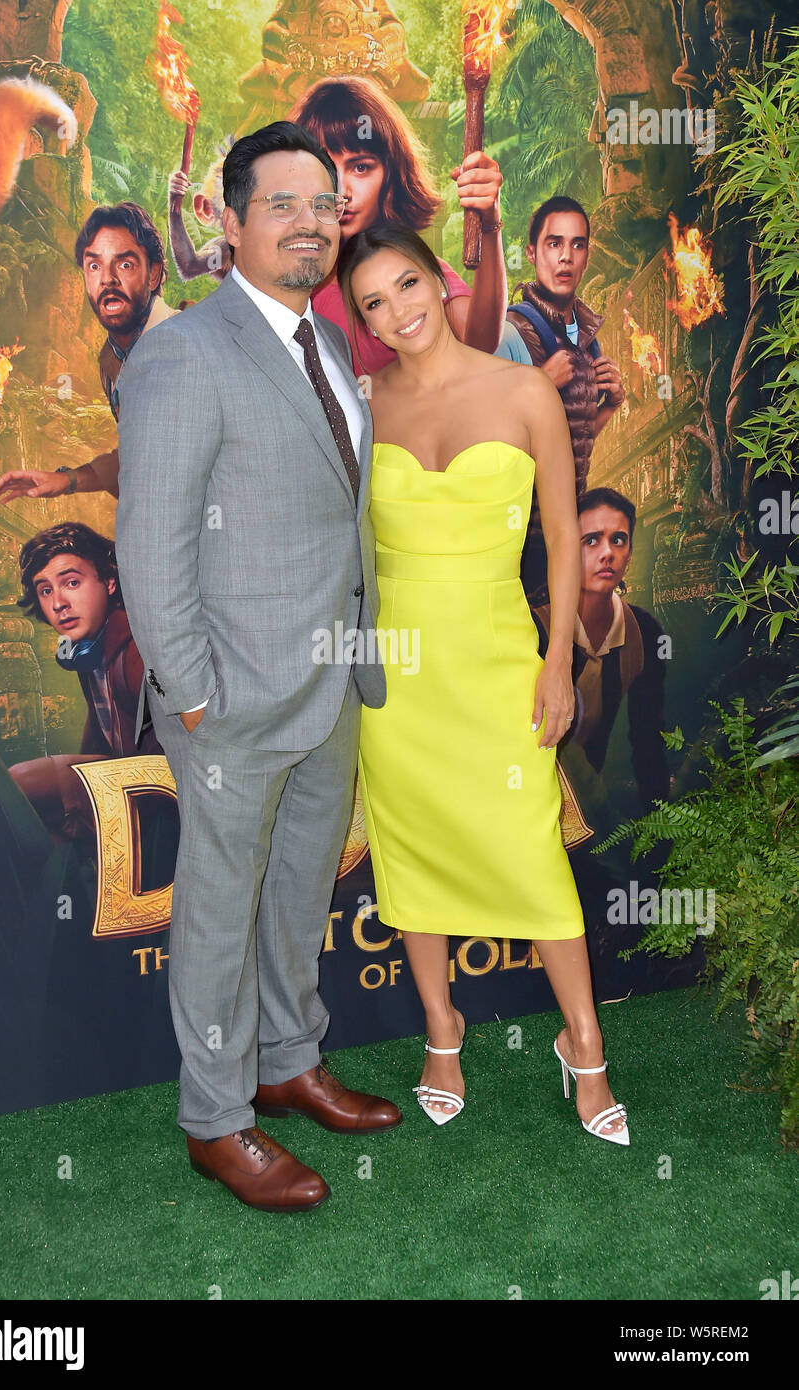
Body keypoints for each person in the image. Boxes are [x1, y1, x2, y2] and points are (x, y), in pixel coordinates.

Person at [114, 121, 400, 1215]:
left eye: (322, 203)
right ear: (229, 224)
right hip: (227, 699)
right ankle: (216, 1118)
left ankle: (289, 1057)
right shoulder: (184, 350)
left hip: (330, 683)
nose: (308, 221)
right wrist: (192, 692)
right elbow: (152, 545)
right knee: (220, 908)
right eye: (280, 202)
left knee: (297, 889)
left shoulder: (325, 343)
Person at [338, 223, 629, 1145]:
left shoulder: (524, 391)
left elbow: (558, 542)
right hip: (398, 675)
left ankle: (584, 1043)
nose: (397, 313)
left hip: (500, 656)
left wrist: (556, 665)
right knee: (411, 852)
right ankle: (442, 1031)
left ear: (442, 280)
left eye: (408, 286)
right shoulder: (357, 402)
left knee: (533, 854)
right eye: (373, 303)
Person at [166, 74, 507, 369]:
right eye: (327, 168)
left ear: (390, 175)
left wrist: (490, 224)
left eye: (361, 167)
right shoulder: (275, 272)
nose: (342, 190)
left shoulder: (410, 271)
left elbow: (478, 341)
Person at [0, 202, 177, 504]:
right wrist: (67, 479)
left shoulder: (188, 347)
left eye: (125, 264)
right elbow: (141, 456)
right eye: (94, 265)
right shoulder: (111, 361)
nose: (107, 279)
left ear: (153, 275)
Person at [9, 523, 162, 843]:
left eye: (72, 582)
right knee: (43, 839)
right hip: (121, 781)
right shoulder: (87, 651)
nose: (58, 602)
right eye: (45, 590)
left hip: (156, 795)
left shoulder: (140, 649)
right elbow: (100, 730)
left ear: (108, 582)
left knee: (17, 784)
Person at [506, 196, 625, 602]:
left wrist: (607, 407)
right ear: (532, 252)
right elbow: (487, 433)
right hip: (521, 534)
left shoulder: (586, 335)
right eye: (554, 244)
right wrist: (539, 383)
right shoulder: (514, 330)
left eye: (577, 245)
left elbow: (572, 438)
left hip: (566, 529)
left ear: (587, 255)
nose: (565, 257)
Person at [532, 488, 670, 812]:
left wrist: (657, 829)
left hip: (597, 805)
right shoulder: (535, 625)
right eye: (591, 540)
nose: (606, 552)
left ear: (631, 552)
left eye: (618, 540)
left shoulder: (642, 632)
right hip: (530, 791)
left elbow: (647, 740)